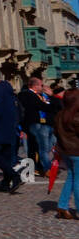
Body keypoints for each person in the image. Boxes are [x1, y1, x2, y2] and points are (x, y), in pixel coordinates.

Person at [18, 76, 58, 173]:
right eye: (41, 85)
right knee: (39, 147)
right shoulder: (28, 94)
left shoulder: (39, 95)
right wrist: (52, 99)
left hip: (43, 123)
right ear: (35, 86)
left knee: (38, 146)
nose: (43, 87)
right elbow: (43, 106)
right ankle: (43, 168)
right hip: (35, 124)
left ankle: (37, 167)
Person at [54, 89, 79, 219]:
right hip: (77, 151)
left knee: (71, 177)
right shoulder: (76, 116)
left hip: (65, 151)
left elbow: (56, 133)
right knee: (78, 180)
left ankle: (62, 206)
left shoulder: (60, 115)